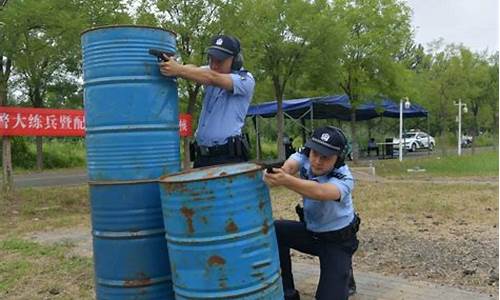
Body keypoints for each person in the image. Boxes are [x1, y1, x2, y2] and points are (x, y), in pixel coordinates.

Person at [264, 126, 360, 300]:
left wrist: (286, 180)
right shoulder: (306, 155)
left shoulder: (345, 178)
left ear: (338, 159)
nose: (317, 161)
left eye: (326, 157)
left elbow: (321, 192)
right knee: (275, 230)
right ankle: (287, 292)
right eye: (315, 154)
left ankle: (343, 270)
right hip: (312, 234)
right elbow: (291, 165)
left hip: (338, 241)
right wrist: (281, 172)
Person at [159, 34, 255, 167]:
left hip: (227, 156)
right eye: (211, 59)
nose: (214, 65)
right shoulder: (209, 72)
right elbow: (195, 69)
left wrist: (178, 69)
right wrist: (174, 63)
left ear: (235, 61)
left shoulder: (245, 80)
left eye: (220, 61)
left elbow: (212, 78)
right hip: (202, 157)